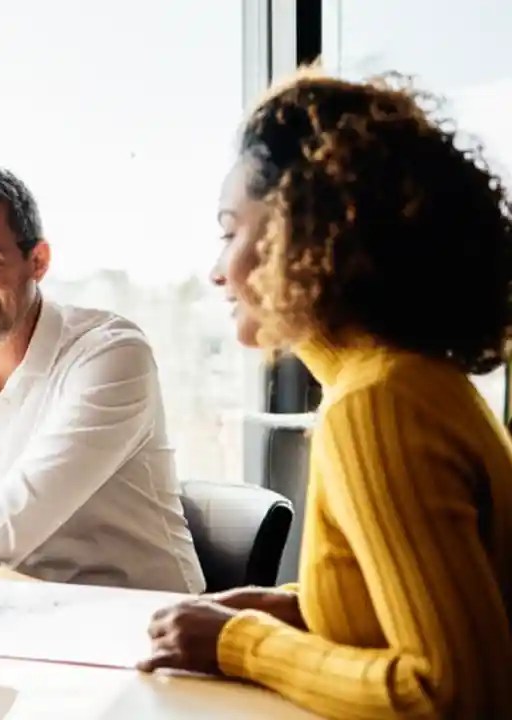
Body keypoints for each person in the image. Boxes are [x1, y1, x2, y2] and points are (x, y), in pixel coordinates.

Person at [138, 70, 512, 718]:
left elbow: (452, 693)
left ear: (300, 235)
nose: (216, 270)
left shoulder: (377, 405)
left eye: (230, 232)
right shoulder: (424, 383)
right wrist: (295, 609)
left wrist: (242, 642)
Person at [0, 166, 204, 591]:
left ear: (37, 262)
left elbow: (5, 528)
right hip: (10, 603)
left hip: (136, 618)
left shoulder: (111, 354)